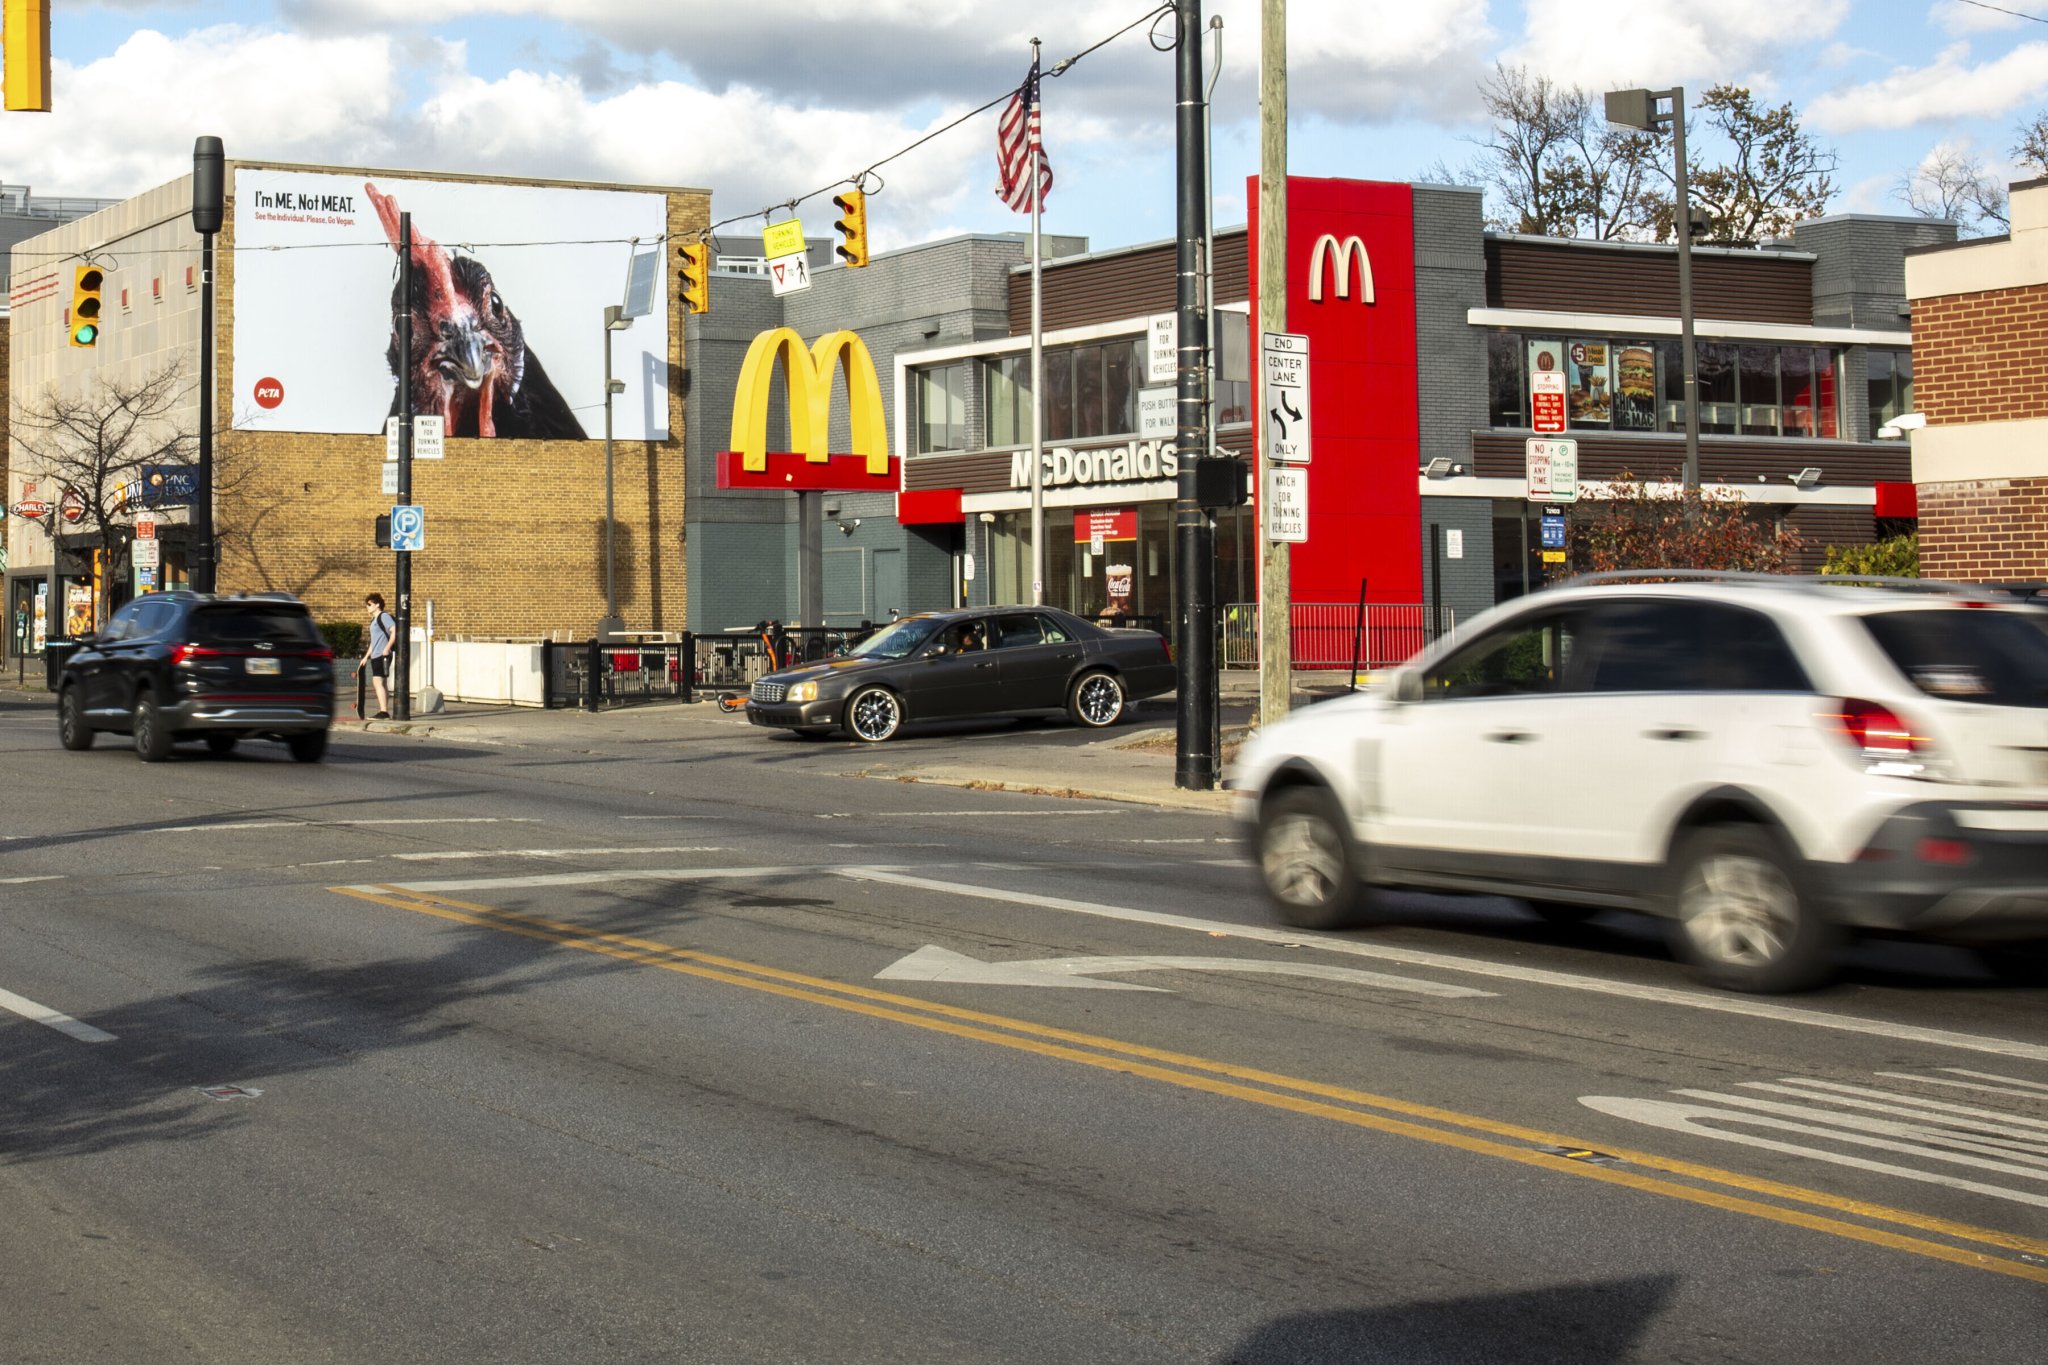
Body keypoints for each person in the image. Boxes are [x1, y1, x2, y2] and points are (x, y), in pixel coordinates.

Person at [363, 593, 396, 718]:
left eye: (369, 604)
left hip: (383, 654)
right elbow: (374, 641)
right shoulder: (374, 620)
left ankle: (384, 711)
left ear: (377, 605)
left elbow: (394, 631)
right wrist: (366, 656)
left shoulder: (384, 616)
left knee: (377, 682)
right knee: (381, 683)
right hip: (376, 655)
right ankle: (384, 710)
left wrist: (387, 648)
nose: (367, 607)